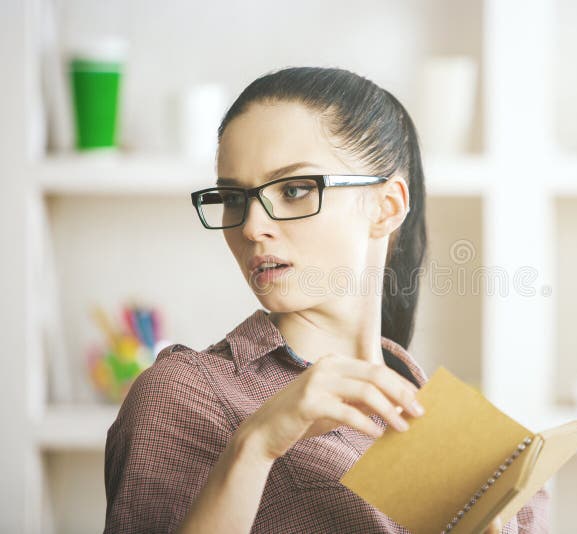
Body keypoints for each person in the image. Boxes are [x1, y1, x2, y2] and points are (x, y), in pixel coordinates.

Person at [103, 66, 549, 533]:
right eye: (234, 198)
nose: (252, 227)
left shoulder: (467, 438)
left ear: (387, 206)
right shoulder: (184, 396)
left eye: (294, 190)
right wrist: (255, 445)